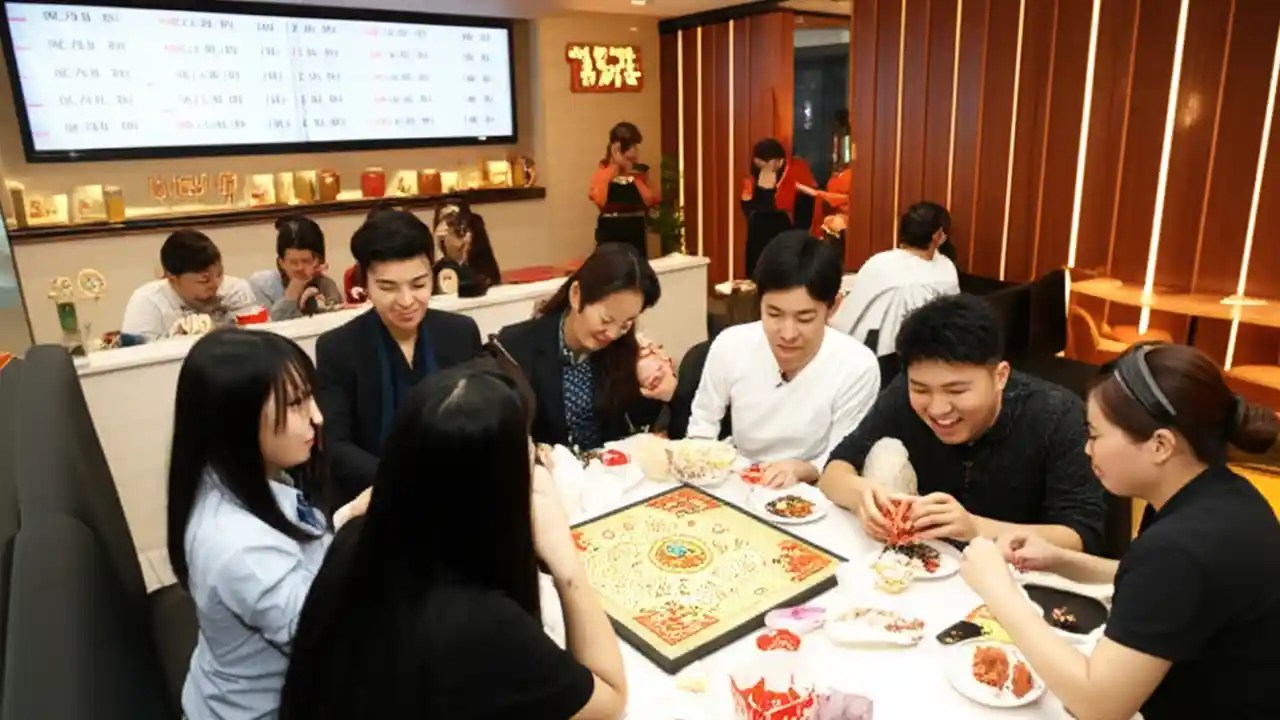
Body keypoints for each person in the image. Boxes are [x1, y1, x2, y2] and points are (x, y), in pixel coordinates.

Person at [279, 362, 628, 719]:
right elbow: (610, 700)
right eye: (524, 444)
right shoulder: (483, 622)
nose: (536, 457)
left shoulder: (358, 536)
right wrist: (567, 565)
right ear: (492, 483)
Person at [959, 343, 1280, 720]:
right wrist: (1061, 559)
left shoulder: (1181, 549)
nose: (1086, 450)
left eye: (1095, 436)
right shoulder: (1222, 495)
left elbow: (1099, 704)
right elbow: (1158, 586)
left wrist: (998, 590)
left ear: (1160, 445)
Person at [167, 328, 370, 720]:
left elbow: (304, 558)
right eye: (296, 404)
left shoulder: (238, 476)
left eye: (311, 396)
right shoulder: (238, 545)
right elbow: (333, 638)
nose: (317, 416)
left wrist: (349, 517)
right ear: (236, 419)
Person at [818, 294, 1107, 553]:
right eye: (920, 389)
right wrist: (864, 497)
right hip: (927, 570)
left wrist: (974, 528)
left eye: (956, 391)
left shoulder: (1056, 416)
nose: (938, 408)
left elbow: (1078, 536)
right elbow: (835, 470)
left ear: (1000, 377)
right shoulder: (902, 396)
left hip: (1019, 585)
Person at [316, 210, 482, 507]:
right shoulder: (338, 348)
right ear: (364, 283)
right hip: (377, 499)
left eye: (419, 285)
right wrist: (406, 481)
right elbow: (337, 447)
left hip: (459, 492)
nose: (406, 301)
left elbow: (482, 414)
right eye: (388, 287)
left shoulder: (459, 333)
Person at [687, 231, 879, 488]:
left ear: (833, 307)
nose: (788, 334)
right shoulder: (731, 345)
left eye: (804, 318)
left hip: (814, 491)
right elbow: (702, 426)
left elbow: (842, 457)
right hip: (737, 481)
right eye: (774, 314)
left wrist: (803, 469)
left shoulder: (857, 366)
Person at [497, 243, 674, 451]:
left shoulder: (622, 347)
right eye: (606, 319)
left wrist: (659, 392)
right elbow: (507, 438)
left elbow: (632, 425)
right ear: (576, 294)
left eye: (626, 324)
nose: (613, 334)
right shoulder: (516, 347)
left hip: (608, 473)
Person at [830, 202, 960, 356]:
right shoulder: (946, 270)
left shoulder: (879, 262)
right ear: (939, 236)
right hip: (923, 357)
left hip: (867, 352)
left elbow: (848, 316)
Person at [121, 229, 258, 341]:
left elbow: (255, 339)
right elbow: (137, 356)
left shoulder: (235, 290)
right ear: (172, 279)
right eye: (204, 280)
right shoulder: (148, 302)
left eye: (219, 274)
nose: (216, 284)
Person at [741, 137, 817, 277]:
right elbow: (750, 213)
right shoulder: (751, 181)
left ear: (780, 162)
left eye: (766, 163)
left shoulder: (797, 178)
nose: (761, 167)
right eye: (758, 162)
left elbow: (803, 221)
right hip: (757, 248)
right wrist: (765, 190)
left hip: (786, 244)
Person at [250, 215, 344, 320]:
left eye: (306, 261)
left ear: (319, 260)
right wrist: (296, 286)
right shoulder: (262, 285)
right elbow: (270, 328)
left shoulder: (326, 286)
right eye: (293, 262)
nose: (299, 268)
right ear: (281, 262)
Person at [589, 122, 658, 258]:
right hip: (610, 235)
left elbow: (651, 199)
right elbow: (600, 200)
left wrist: (630, 174)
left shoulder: (641, 173)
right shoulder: (603, 172)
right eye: (633, 148)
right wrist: (616, 166)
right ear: (619, 149)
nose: (637, 154)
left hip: (635, 234)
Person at [431, 201, 502, 294]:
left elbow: (489, 283)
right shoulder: (437, 269)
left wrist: (464, 252)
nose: (452, 229)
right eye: (447, 223)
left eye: (455, 222)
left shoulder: (481, 259)